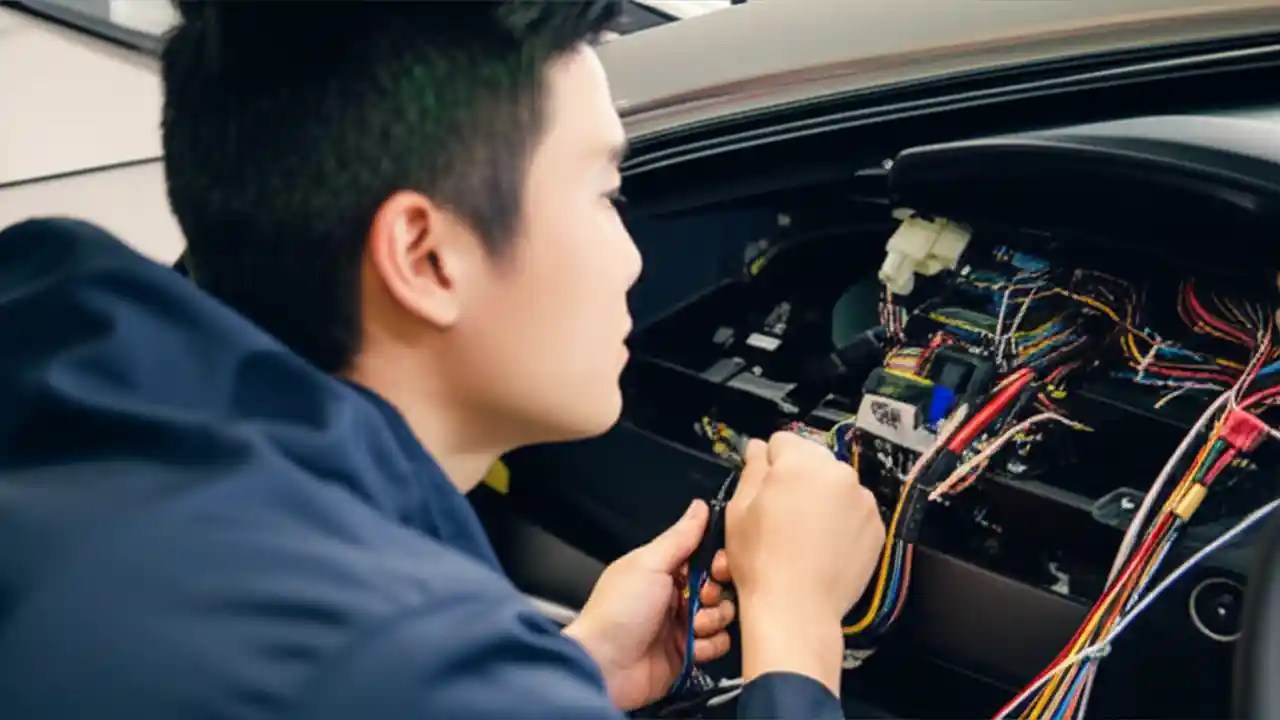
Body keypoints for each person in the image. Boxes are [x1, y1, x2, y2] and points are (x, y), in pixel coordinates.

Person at [0, 1, 886, 718]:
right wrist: (799, 630)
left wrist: (566, 670)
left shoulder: (59, 379)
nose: (634, 259)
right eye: (606, 195)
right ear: (426, 259)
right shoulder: (401, 659)